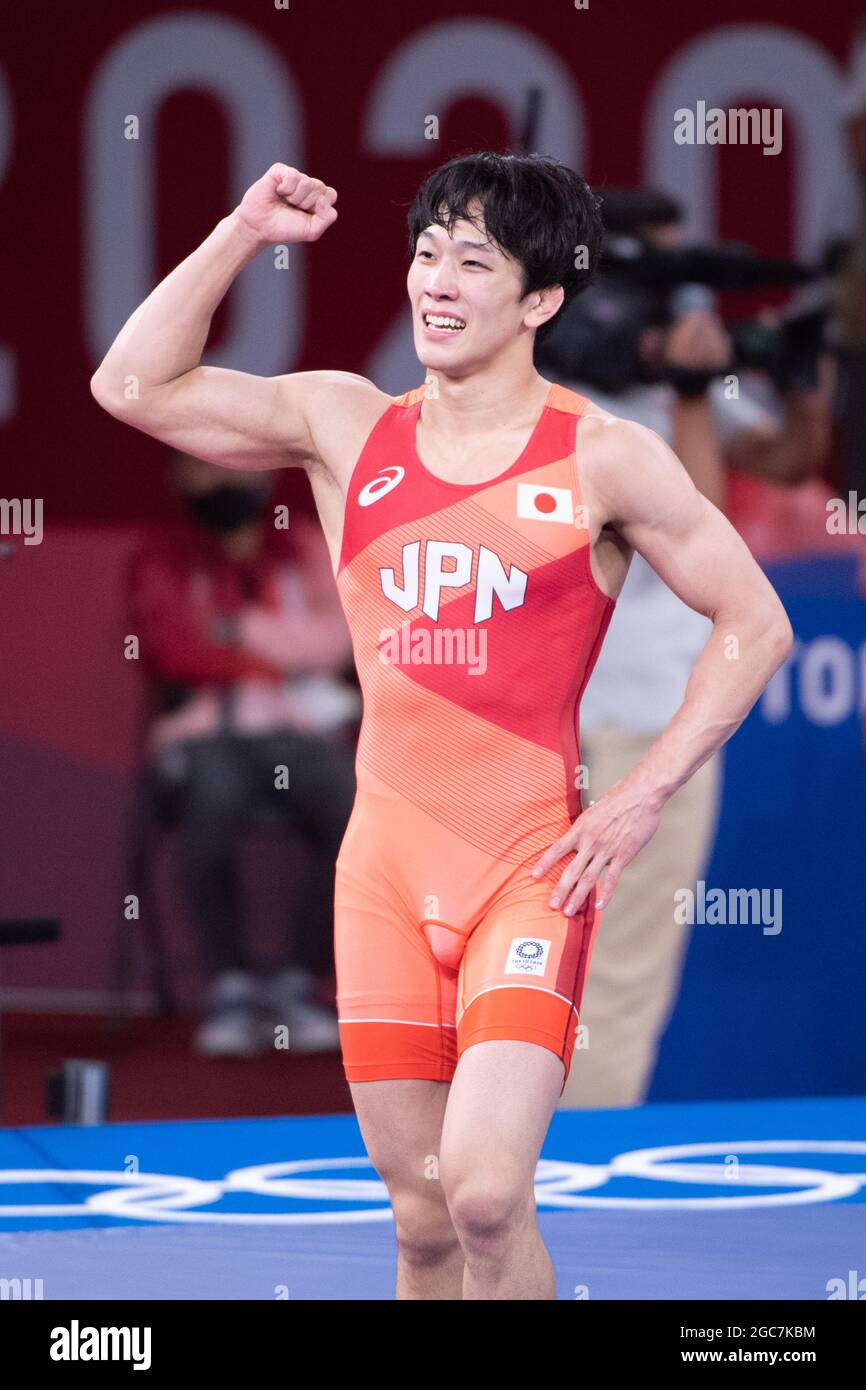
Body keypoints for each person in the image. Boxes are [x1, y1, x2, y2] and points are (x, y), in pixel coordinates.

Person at [91, 152, 793, 1300]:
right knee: (419, 1222)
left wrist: (638, 792)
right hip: (381, 868)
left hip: (528, 868)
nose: (437, 282)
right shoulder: (343, 423)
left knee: (480, 1193)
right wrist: (240, 227)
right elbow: (129, 385)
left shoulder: (602, 455)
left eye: (474, 261)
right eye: (425, 255)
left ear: (541, 300)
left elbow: (753, 623)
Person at [536, 190, 831, 1109]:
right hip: (602, 722)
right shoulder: (564, 387)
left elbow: (787, 459)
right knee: (593, 980)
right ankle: (548, 1180)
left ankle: (520, 1178)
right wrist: (696, 391)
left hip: (608, 722)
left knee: (576, 973)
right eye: (662, 278)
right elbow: (692, 518)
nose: (684, 302)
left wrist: (799, 371)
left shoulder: (608, 375)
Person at [127, 452, 359, 1056]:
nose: (224, 482)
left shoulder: (302, 546)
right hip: (203, 738)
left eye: (237, 469)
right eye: (203, 469)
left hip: (295, 734)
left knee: (359, 811)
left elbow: (342, 639)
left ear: (265, 477)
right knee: (211, 801)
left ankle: (291, 988)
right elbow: (174, 647)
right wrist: (283, 649)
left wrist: (237, 629)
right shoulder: (161, 556)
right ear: (178, 477)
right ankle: (229, 989)